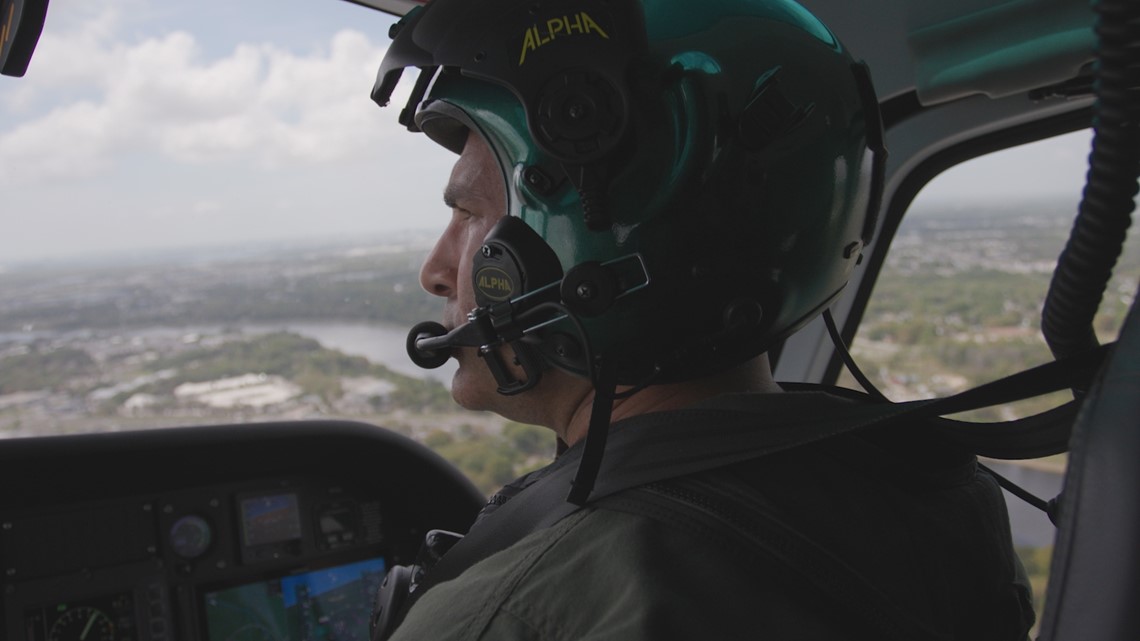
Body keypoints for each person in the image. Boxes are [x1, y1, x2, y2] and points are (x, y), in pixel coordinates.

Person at [370, 0, 1036, 639]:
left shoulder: (509, 615)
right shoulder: (947, 493)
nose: (435, 268)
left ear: (592, 245)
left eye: (466, 213)